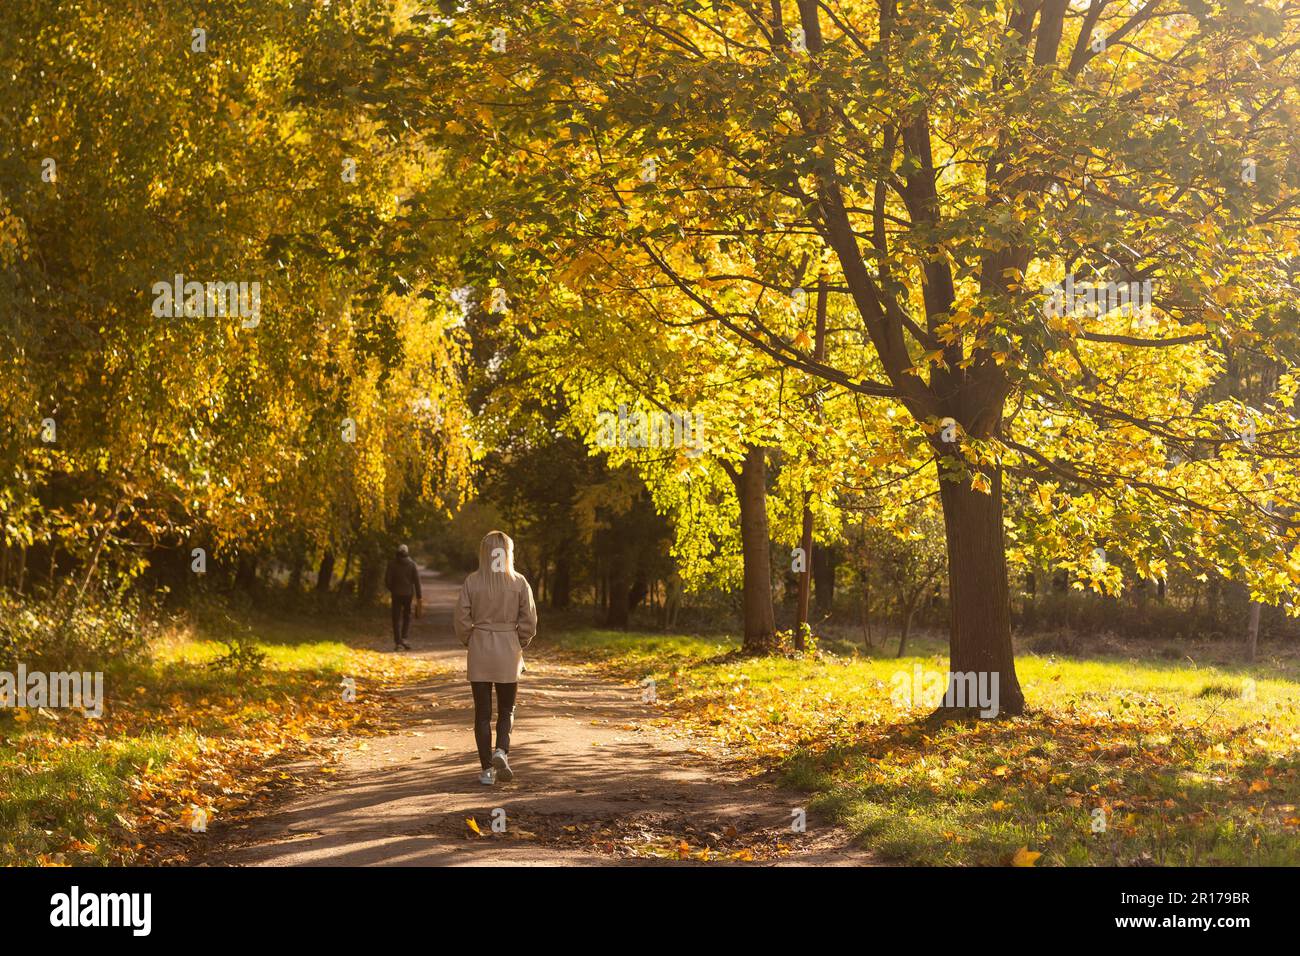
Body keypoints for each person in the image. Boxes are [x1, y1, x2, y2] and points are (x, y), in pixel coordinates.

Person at [453, 530, 537, 785]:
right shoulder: (519, 582)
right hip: (508, 650)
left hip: (480, 649)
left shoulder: (472, 581)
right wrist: (519, 641)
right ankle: (502, 750)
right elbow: (529, 621)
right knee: (506, 709)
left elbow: (461, 619)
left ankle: (487, 770)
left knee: (482, 713)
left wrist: (471, 640)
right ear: (508, 553)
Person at [384, 544, 422, 650]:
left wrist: (393, 589)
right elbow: (417, 581)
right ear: (407, 552)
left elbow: (387, 581)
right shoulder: (412, 564)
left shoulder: (391, 564)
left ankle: (398, 642)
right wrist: (419, 596)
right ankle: (404, 638)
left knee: (395, 618)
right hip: (408, 594)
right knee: (407, 616)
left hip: (396, 594)